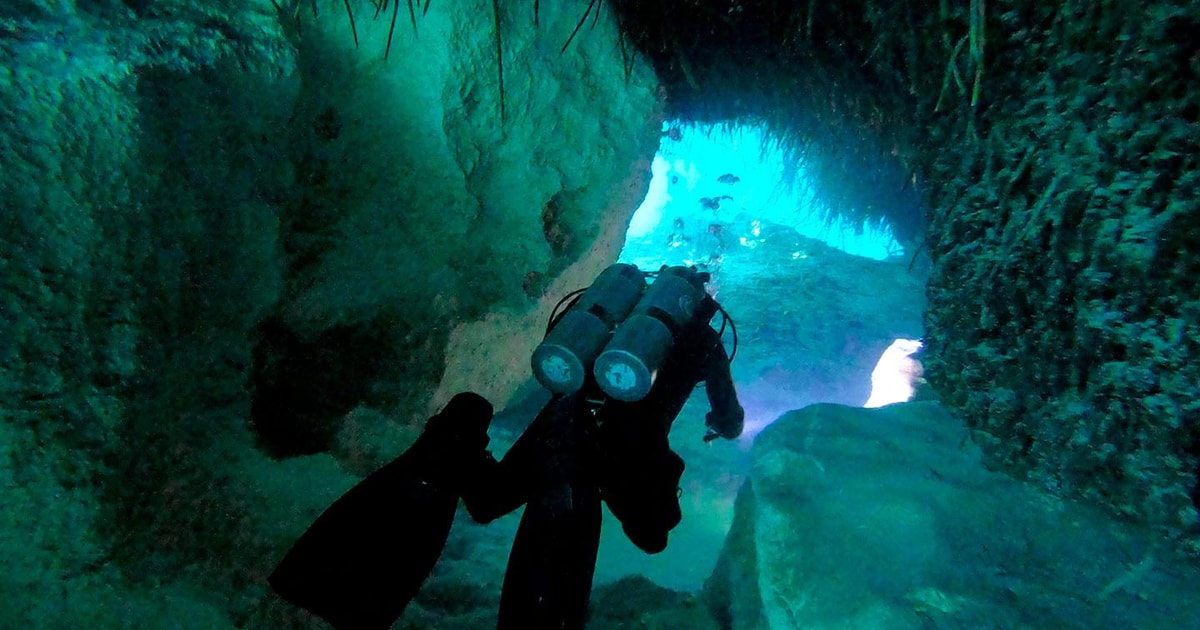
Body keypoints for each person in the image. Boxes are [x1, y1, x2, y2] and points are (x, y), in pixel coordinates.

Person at [269, 264, 744, 630]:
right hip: (619, 451)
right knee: (651, 533)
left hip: (557, 430)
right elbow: (730, 418)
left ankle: (447, 443)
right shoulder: (704, 339)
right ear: (700, 300)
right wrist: (717, 425)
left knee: (491, 496)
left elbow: (561, 349)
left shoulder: (616, 315)